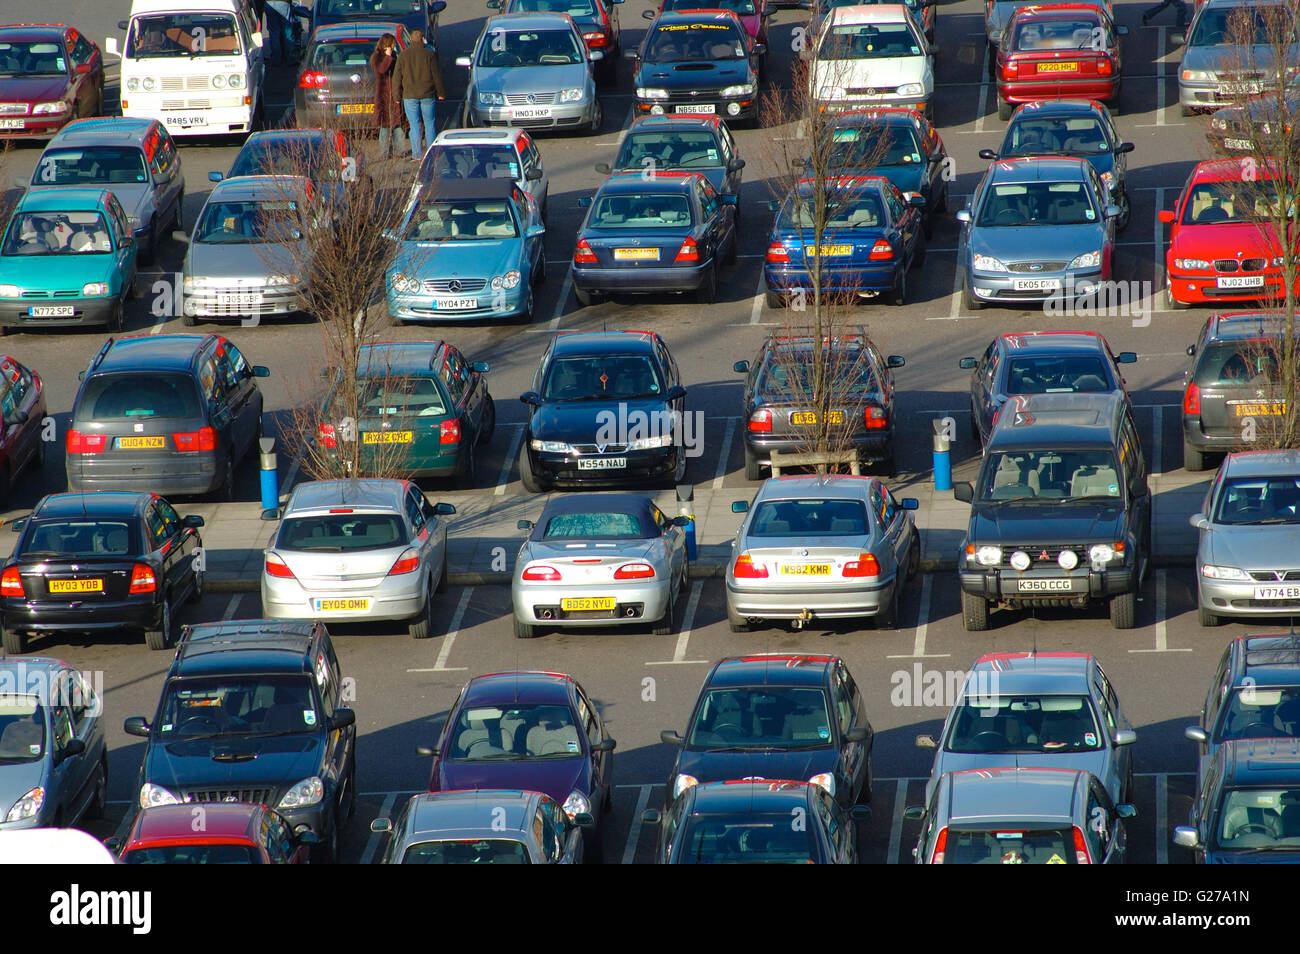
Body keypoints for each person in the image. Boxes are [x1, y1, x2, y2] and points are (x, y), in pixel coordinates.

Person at [393, 28, 446, 161]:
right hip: (428, 94)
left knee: (415, 125)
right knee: (430, 124)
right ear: (423, 39)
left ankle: (417, 154)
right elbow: (436, 76)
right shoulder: (430, 55)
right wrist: (441, 92)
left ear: (410, 40)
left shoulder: (403, 56)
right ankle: (431, 154)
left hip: (409, 95)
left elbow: (397, 78)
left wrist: (396, 96)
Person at [370, 33, 409, 160]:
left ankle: (400, 150)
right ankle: (385, 152)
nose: (394, 46)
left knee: (398, 124)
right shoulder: (377, 57)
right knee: (385, 125)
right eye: (392, 44)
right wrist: (387, 57)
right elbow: (381, 70)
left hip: (394, 93)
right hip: (384, 95)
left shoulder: (394, 56)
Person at [265, 0, 291, 65]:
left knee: (274, 33)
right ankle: (290, 58)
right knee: (287, 31)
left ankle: (276, 59)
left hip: (269, 3)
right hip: (284, 3)